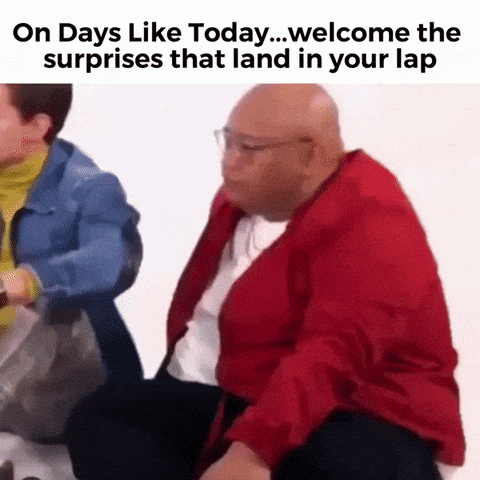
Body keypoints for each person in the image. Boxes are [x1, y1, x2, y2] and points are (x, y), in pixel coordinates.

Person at [65, 84, 465, 480]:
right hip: (244, 397)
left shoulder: (374, 223)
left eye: (250, 148)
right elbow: (200, 320)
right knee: (103, 418)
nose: (230, 161)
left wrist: (253, 453)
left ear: (310, 154)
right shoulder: (241, 201)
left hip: (361, 413)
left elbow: (331, 357)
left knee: (344, 466)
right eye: (228, 142)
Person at [0, 84, 142, 447]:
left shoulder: (91, 188)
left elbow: (110, 261)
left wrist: (28, 281)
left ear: (37, 127)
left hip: (54, 370)